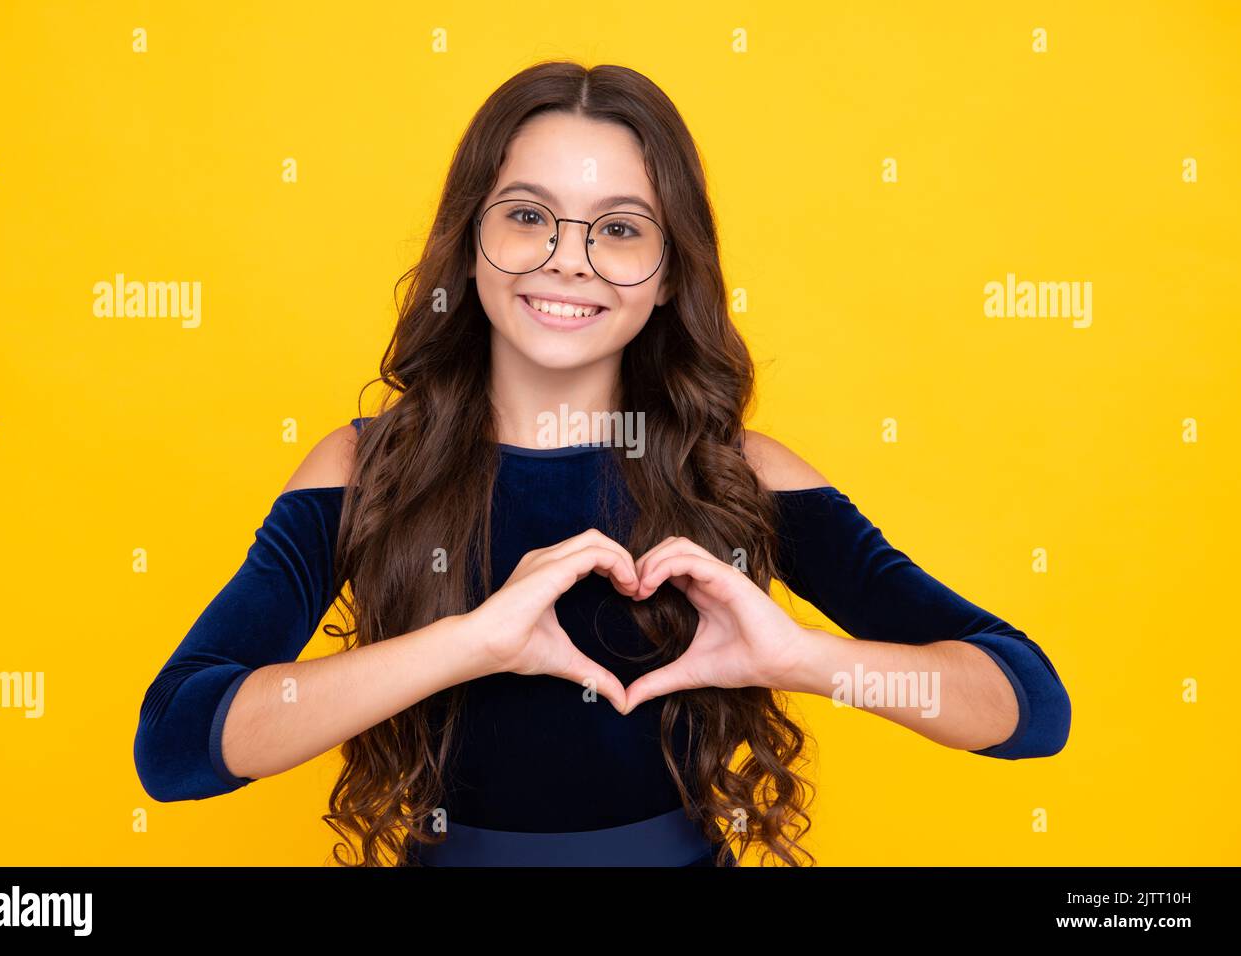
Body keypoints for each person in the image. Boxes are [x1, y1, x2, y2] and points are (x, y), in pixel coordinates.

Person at [134, 61, 1071, 867]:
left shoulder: (743, 474)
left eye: (619, 228)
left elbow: (1028, 707)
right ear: (470, 240)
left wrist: (808, 659)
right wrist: (471, 642)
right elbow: (177, 745)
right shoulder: (364, 467)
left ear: (669, 274)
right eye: (528, 215)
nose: (568, 261)